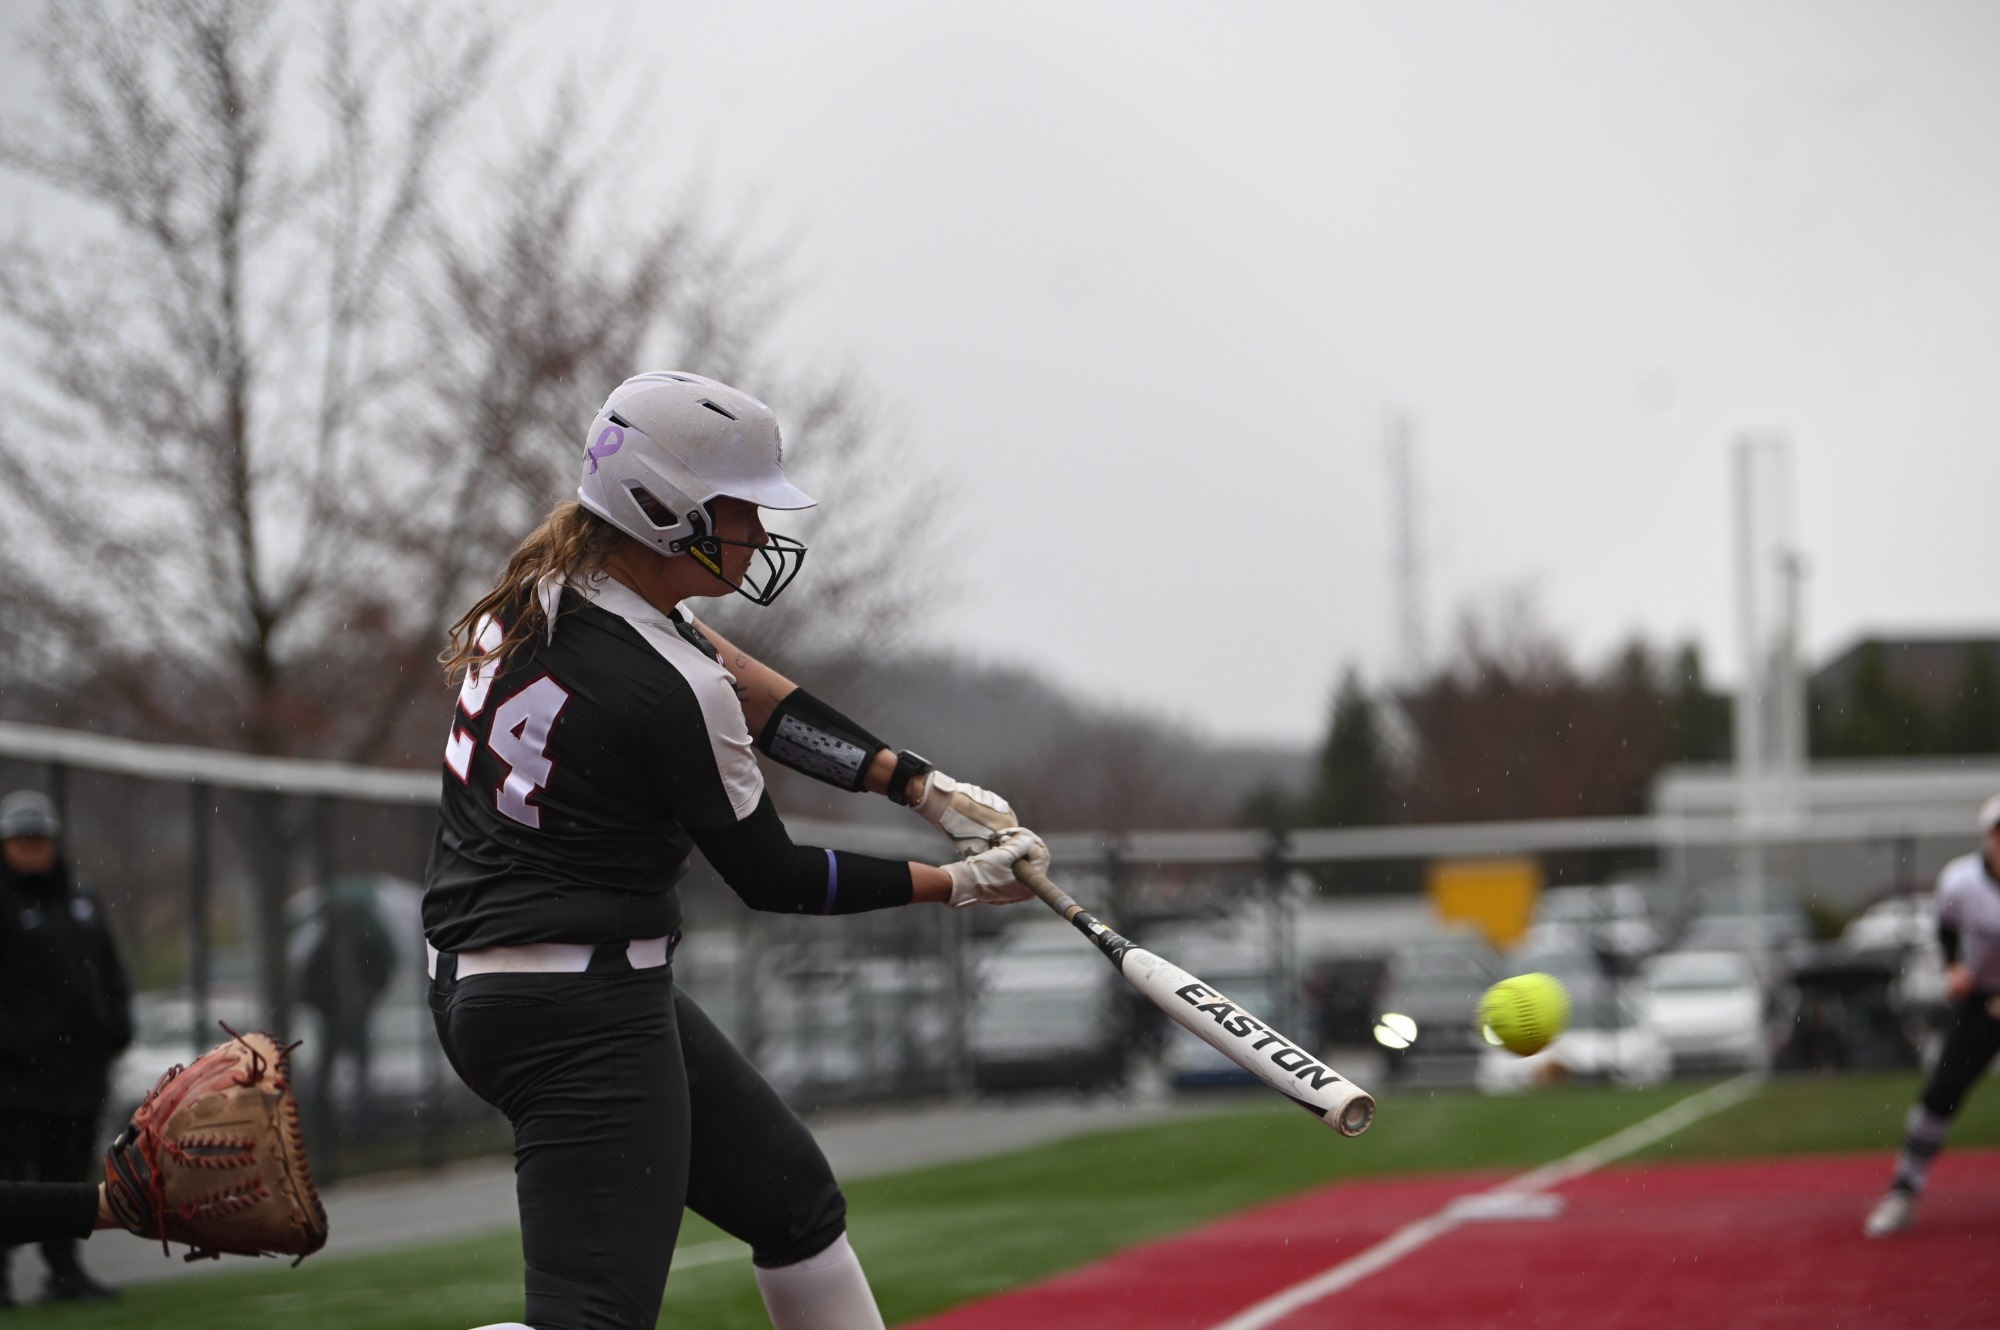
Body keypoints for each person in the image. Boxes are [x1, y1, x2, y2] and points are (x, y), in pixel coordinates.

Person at [423, 371, 1049, 1330]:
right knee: (591, 1318)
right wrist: (958, 884)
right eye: (741, 509)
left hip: (508, 985)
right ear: (664, 507)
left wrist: (917, 786)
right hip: (579, 1008)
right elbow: (775, 877)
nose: (760, 533)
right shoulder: (669, 688)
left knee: (794, 1205)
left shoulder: (536, 594)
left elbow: (737, 678)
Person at [0, 790, 132, 1304]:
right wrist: (15, 1040)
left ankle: (65, 1271)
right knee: (10, 1178)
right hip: (13, 1076)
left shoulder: (80, 895)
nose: (32, 848)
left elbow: (108, 966)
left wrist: (116, 1023)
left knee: (69, 1173)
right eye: (21, 839)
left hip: (79, 1071)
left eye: (40, 838)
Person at [1864, 792, 2000, 1237]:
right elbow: (1946, 930)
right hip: (1981, 1001)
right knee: (1941, 1094)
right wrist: (1954, 967)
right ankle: (1903, 1191)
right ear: (1986, 838)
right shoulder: (1961, 882)